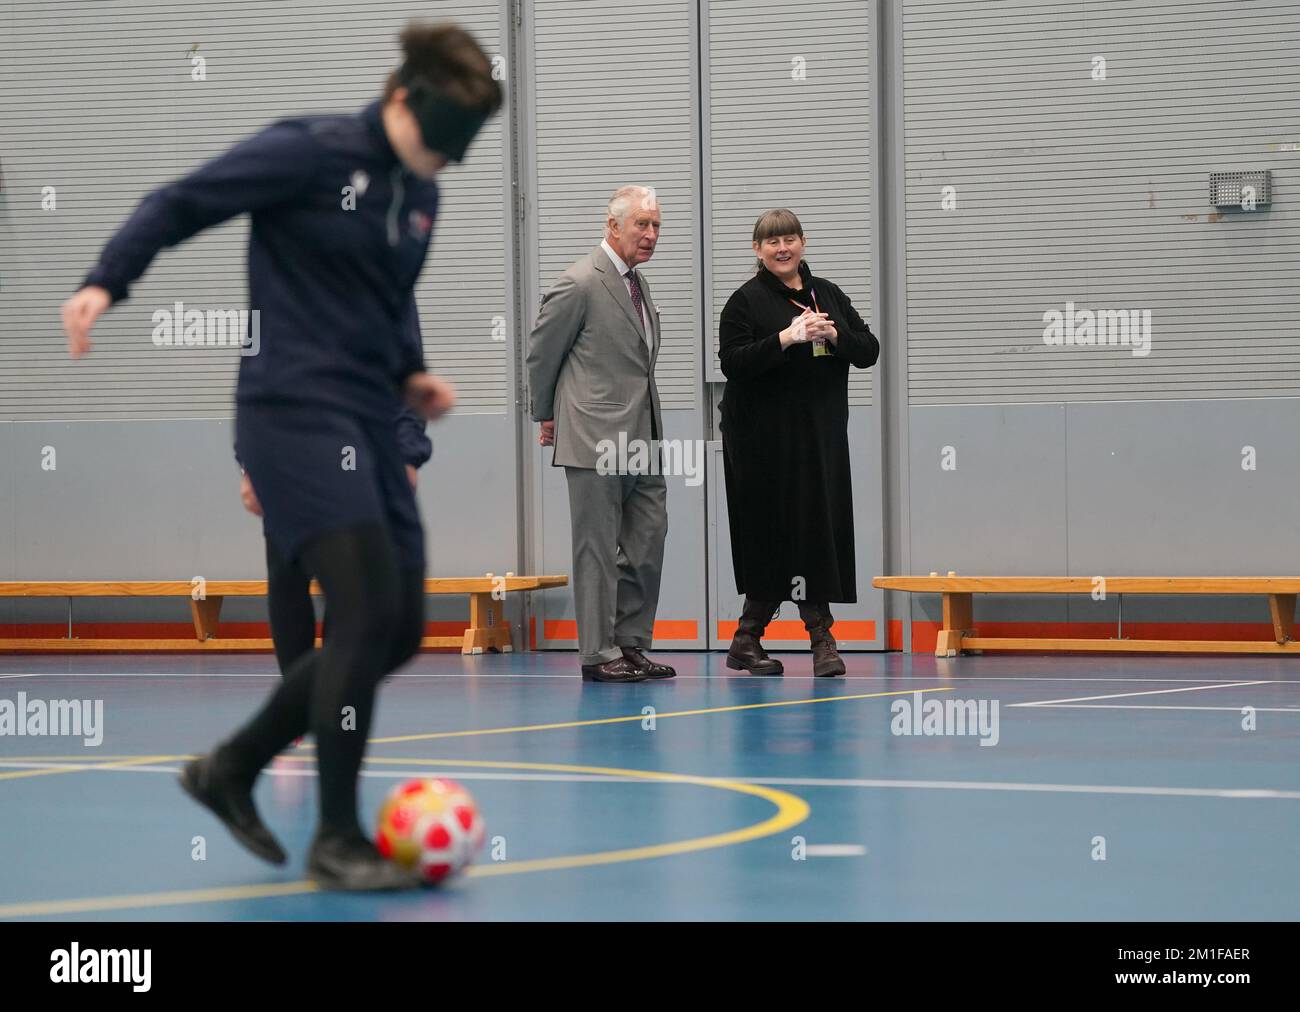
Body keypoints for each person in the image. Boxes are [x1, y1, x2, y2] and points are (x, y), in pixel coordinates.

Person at [61, 21, 502, 889]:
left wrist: (413, 379)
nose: (443, 167)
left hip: (371, 418)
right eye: (438, 145)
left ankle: (230, 765)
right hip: (294, 412)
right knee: (359, 609)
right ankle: (337, 838)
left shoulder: (421, 195)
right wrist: (105, 280)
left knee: (402, 626)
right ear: (402, 98)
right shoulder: (309, 151)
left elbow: (382, 303)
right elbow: (180, 202)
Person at [718, 209, 880, 677]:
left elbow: (868, 350)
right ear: (758, 250)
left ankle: (762, 639)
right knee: (773, 536)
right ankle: (807, 641)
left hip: (820, 440)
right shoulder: (744, 302)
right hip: (761, 445)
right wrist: (784, 339)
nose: (782, 248)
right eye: (772, 242)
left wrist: (837, 334)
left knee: (816, 535)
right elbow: (733, 362)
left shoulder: (826, 294)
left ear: (803, 243)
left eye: (789, 239)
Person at [526, 185, 675, 683]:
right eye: (642, 225)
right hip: (593, 436)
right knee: (596, 548)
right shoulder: (580, 282)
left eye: (655, 225)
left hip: (643, 437)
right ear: (613, 226)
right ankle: (598, 652)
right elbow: (542, 355)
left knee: (646, 541)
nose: (651, 234)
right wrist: (546, 413)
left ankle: (630, 643)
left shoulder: (638, 282)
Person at [239, 401, 432, 675]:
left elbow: (408, 391)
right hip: (290, 460)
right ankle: (301, 697)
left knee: (355, 587)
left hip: (360, 464)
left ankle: (335, 689)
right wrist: (250, 463)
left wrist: (406, 456)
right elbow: (257, 394)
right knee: (287, 576)